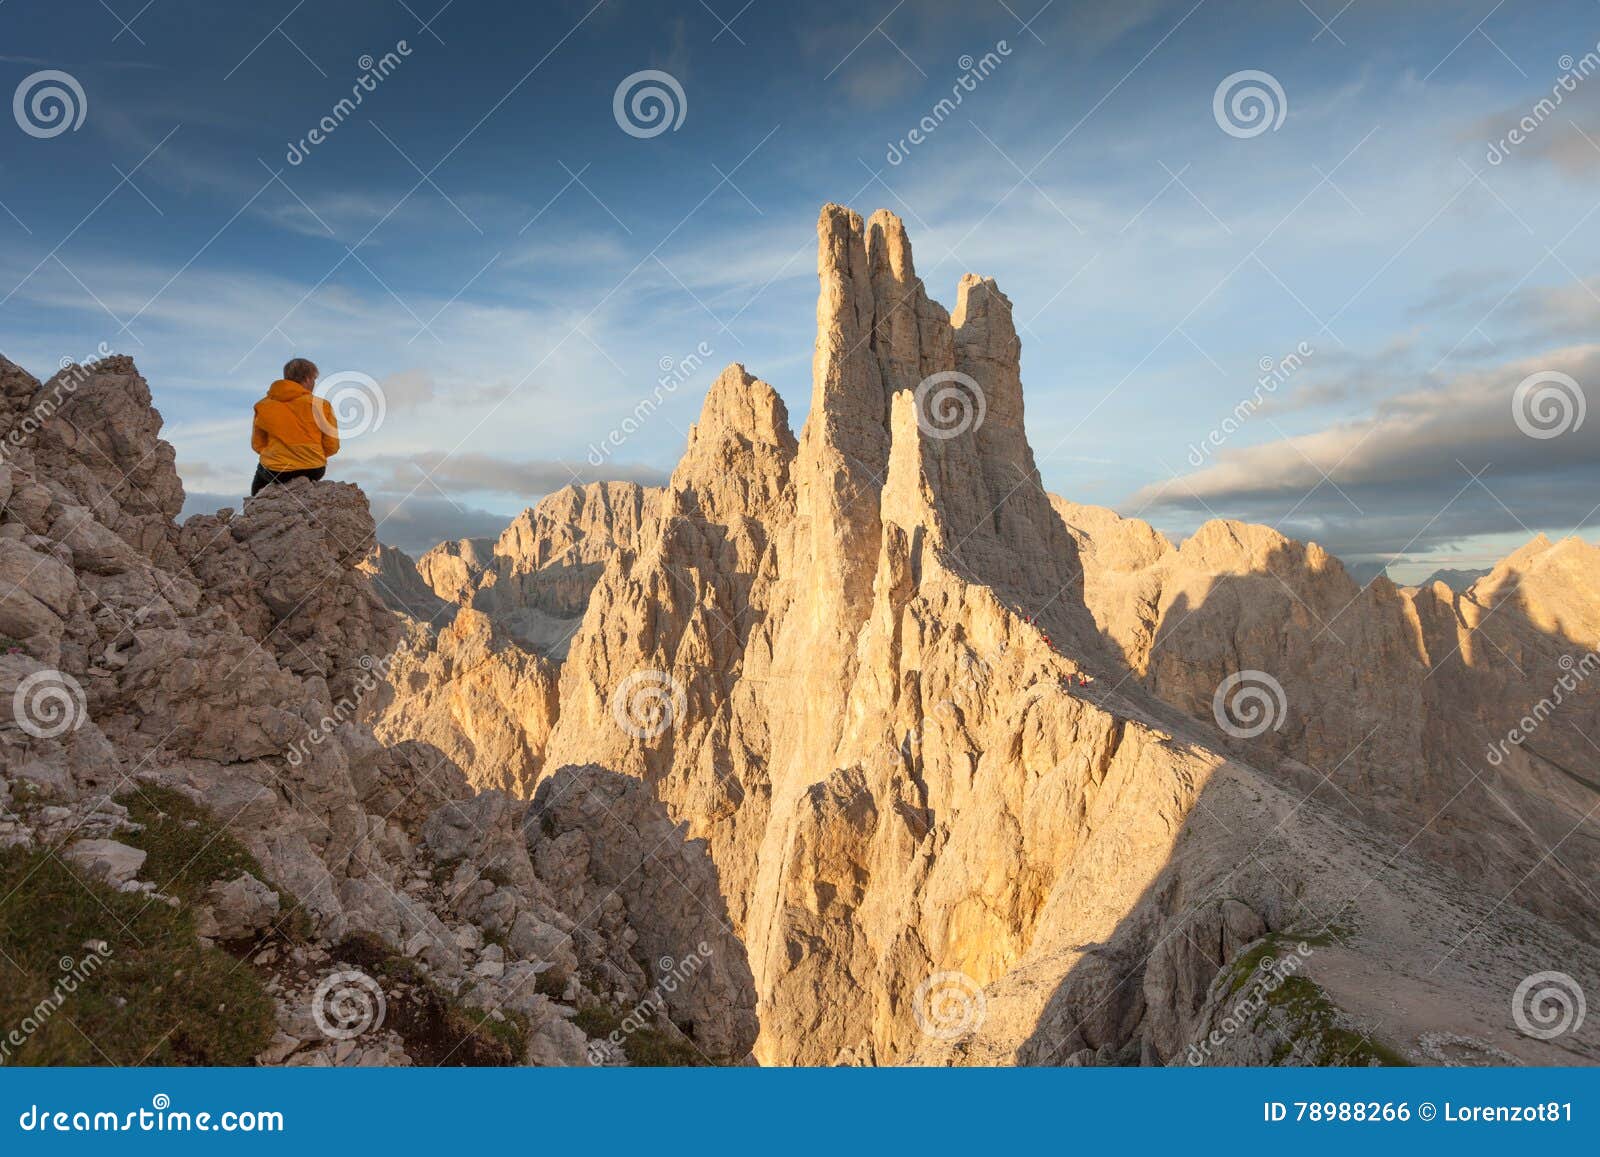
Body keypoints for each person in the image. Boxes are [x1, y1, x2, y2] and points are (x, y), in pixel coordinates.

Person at [250, 358, 339, 496]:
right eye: (314, 379)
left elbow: (257, 444)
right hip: (314, 469)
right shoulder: (322, 405)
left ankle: (254, 511)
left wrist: (278, 456)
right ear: (308, 378)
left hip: (276, 472)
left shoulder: (262, 405)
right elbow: (332, 446)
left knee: (257, 490)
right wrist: (309, 456)